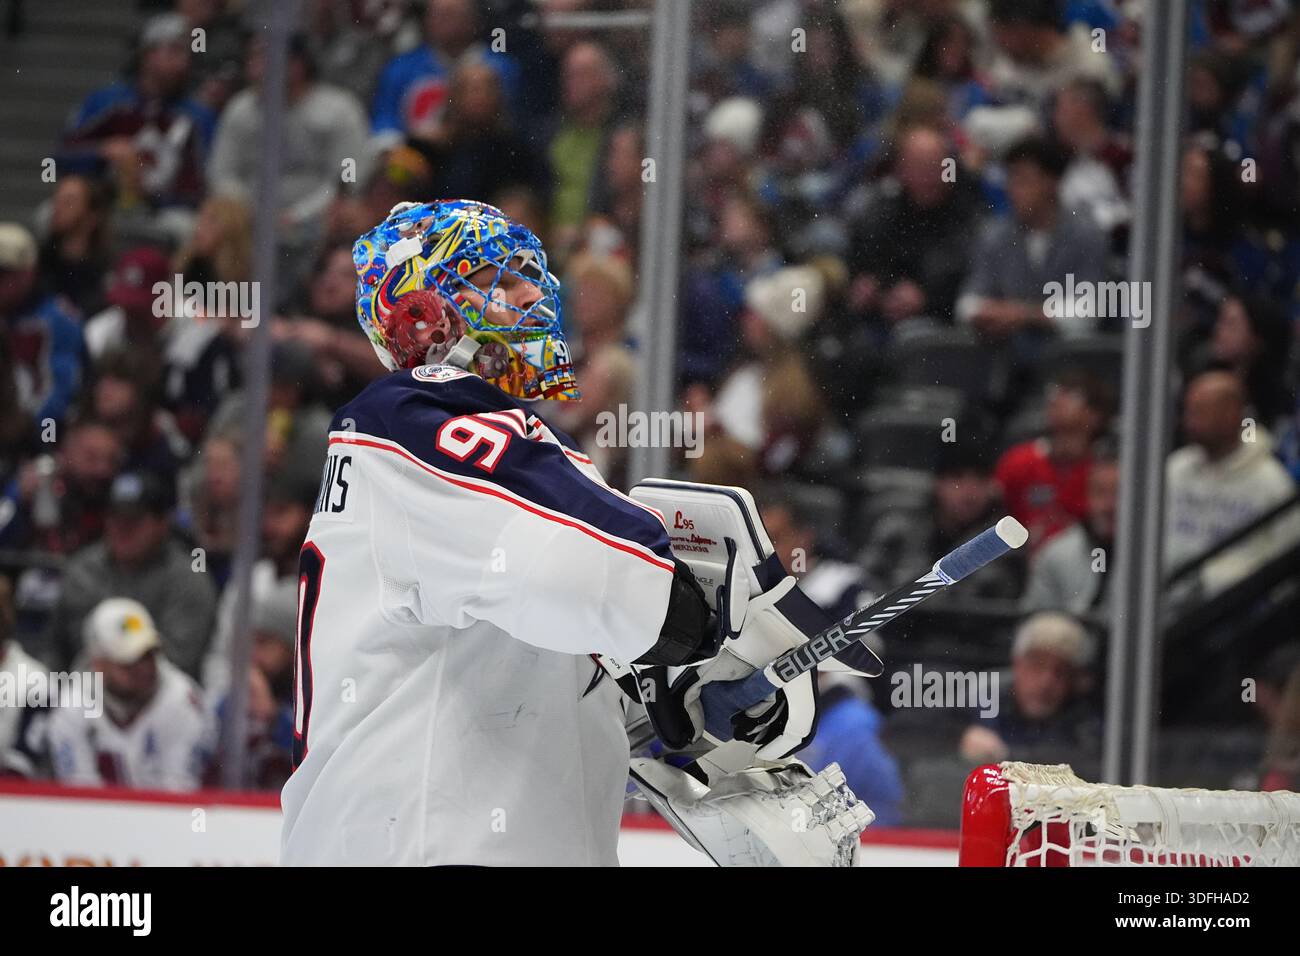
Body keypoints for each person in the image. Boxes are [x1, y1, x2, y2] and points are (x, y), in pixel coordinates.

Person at [279, 199, 813, 865]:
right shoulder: (418, 416)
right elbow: (599, 579)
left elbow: (535, 632)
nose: (535, 293)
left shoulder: (450, 476)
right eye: (500, 282)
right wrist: (702, 627)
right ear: (425, 317)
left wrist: (657, 692)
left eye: (530, 275)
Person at [42, 471, 217, 677]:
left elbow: (179, 663)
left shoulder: (188, 580)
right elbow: (56, 649)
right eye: (115, 517)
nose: (122, 528)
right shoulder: (82, 570)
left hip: (159, 697)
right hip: (82, 691)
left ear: (162, 524)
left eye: (134, 520)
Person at [45, 597, 211, 790]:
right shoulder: (72, 706)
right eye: (129, 662)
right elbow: (79, 795)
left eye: (149, 655)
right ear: (99, 664)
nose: (144, 668)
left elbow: (178, 795)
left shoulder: (182, 701)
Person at [1164, 370, 1298, 588]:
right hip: (1169, 597)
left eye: (1199, 412)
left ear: (1231, 413)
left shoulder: (1272, 482)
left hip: (1235, 609)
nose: (1188, 421)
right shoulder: (1175, 469)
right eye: (1188, 411)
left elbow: (1286, 559)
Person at [959, 611, 1101, 770]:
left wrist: (1006, 755)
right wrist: (960, 738)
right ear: (1017, 665)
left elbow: (1087, 762)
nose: (1046, 681)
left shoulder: (1085, 724)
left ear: (1074, 680)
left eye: (1061, 671)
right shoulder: (984, 697)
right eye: (1037, 665)